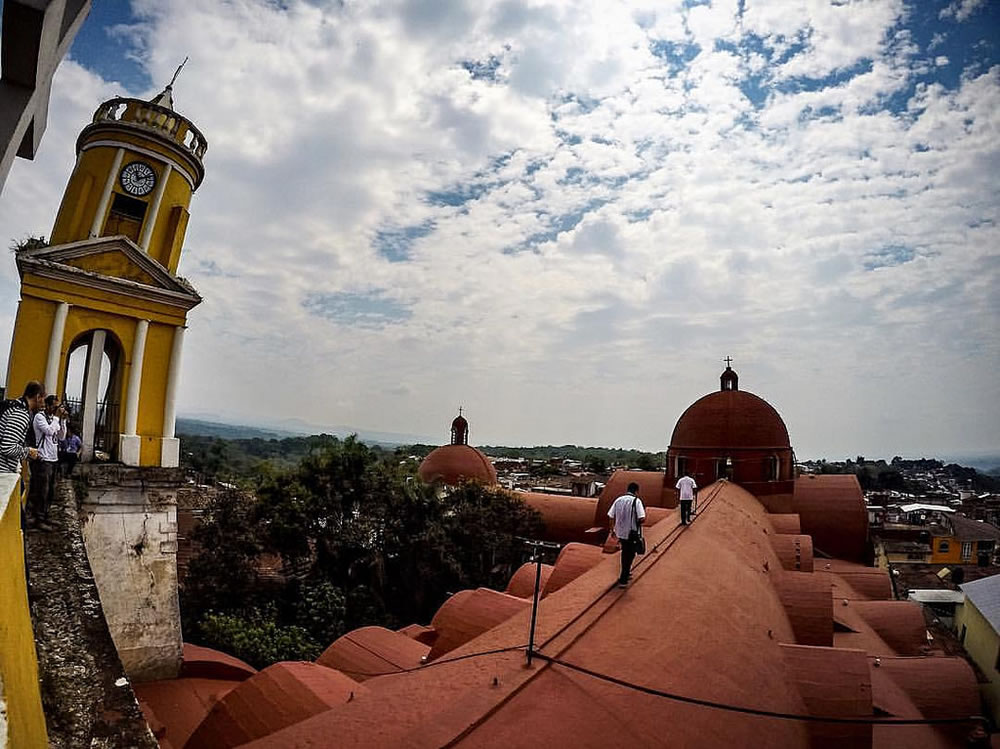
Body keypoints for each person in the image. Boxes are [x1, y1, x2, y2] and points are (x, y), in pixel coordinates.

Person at [29, 395, 67, 530]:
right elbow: (50, 431)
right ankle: (38, 519)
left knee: (50, 491)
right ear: (49, 406)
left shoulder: (53, 419)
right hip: (43, 459)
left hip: (53, 458)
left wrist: (62, 421)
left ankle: (45, 515)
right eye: (55, 407)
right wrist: (57, 418)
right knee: (42, 491)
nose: (57, 409)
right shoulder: (40, 417)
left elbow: (61, 437)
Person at [607, 482, 645, 588]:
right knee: (629, 554)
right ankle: (623, 579)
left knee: (627, 553)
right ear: (636, 491)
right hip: (631, 533)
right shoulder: (636, 501)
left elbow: (610, 515)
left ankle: (626, 573)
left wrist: (612, 530)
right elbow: (642, 518)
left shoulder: (618, 500)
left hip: (620, 533)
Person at [0, 381, 43, 474]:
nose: (43, 405)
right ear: (37, 397)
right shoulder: (20, 414)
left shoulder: (14, 406)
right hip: (3, 471)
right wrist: (29, 451)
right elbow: (8, 447)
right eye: (43, 399)